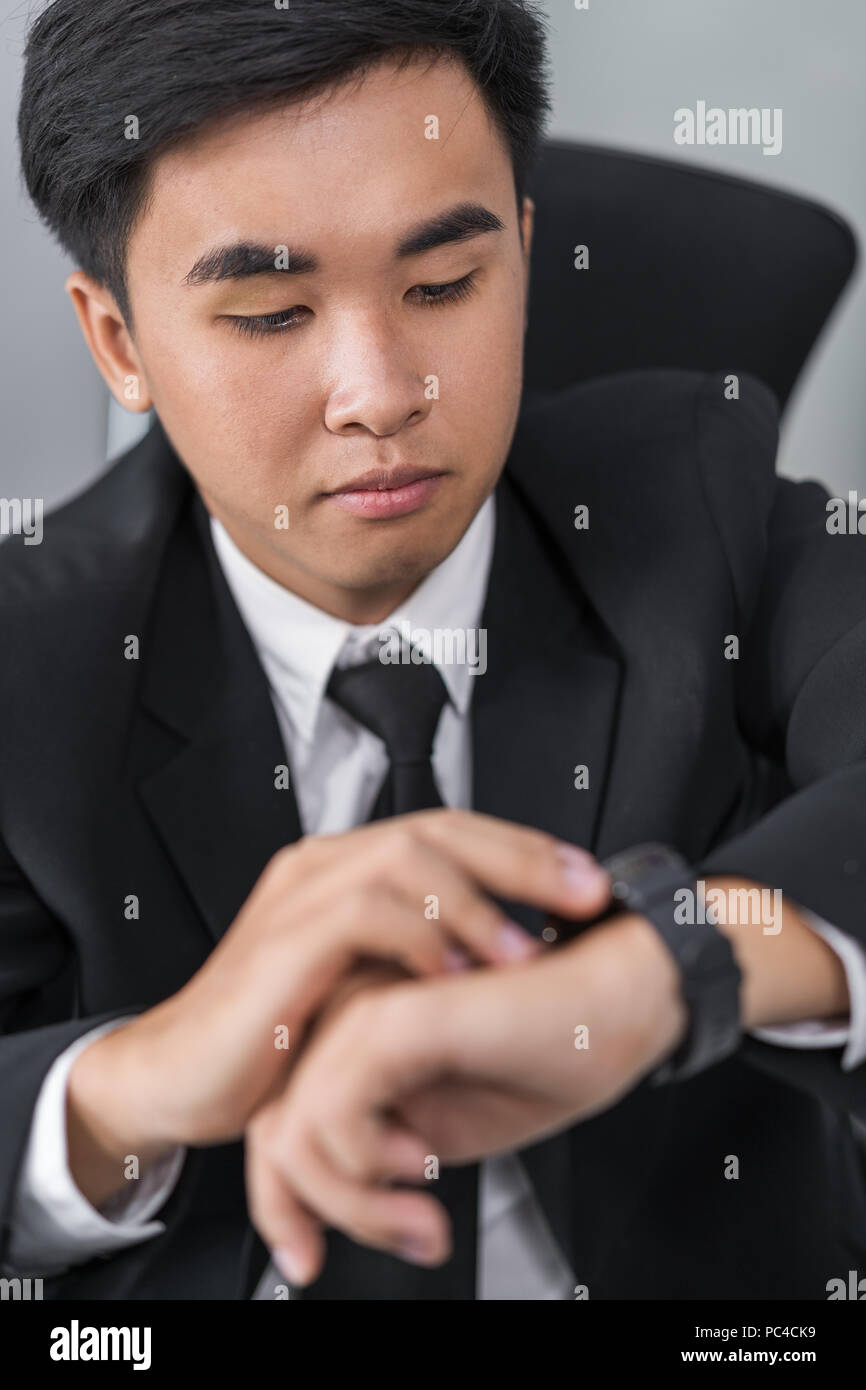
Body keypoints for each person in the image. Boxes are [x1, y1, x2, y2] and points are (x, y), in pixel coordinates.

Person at [2, 0, 865, 1301]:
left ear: (520, 247)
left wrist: (663, 960)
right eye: (271, 313)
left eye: (444, 285)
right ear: (120, 340)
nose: (381, 391)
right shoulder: (26, 661)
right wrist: (128, 1083)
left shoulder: (703, 502)